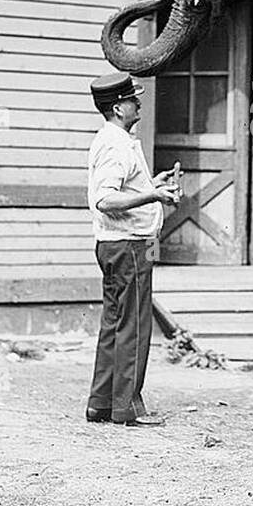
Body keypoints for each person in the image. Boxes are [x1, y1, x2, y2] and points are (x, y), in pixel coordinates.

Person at [85, 72, 181, 427]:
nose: (138, 103)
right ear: (117, 108)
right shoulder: (115, 144)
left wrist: (152, 183)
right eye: (132, 100)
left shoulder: (116, 139)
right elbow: (106, 199)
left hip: (118, 245)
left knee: (115, 322)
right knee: (135, 327)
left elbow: (122, 186)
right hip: (131, 246)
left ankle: (102, 403)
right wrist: (154, 195)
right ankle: (126, 407)